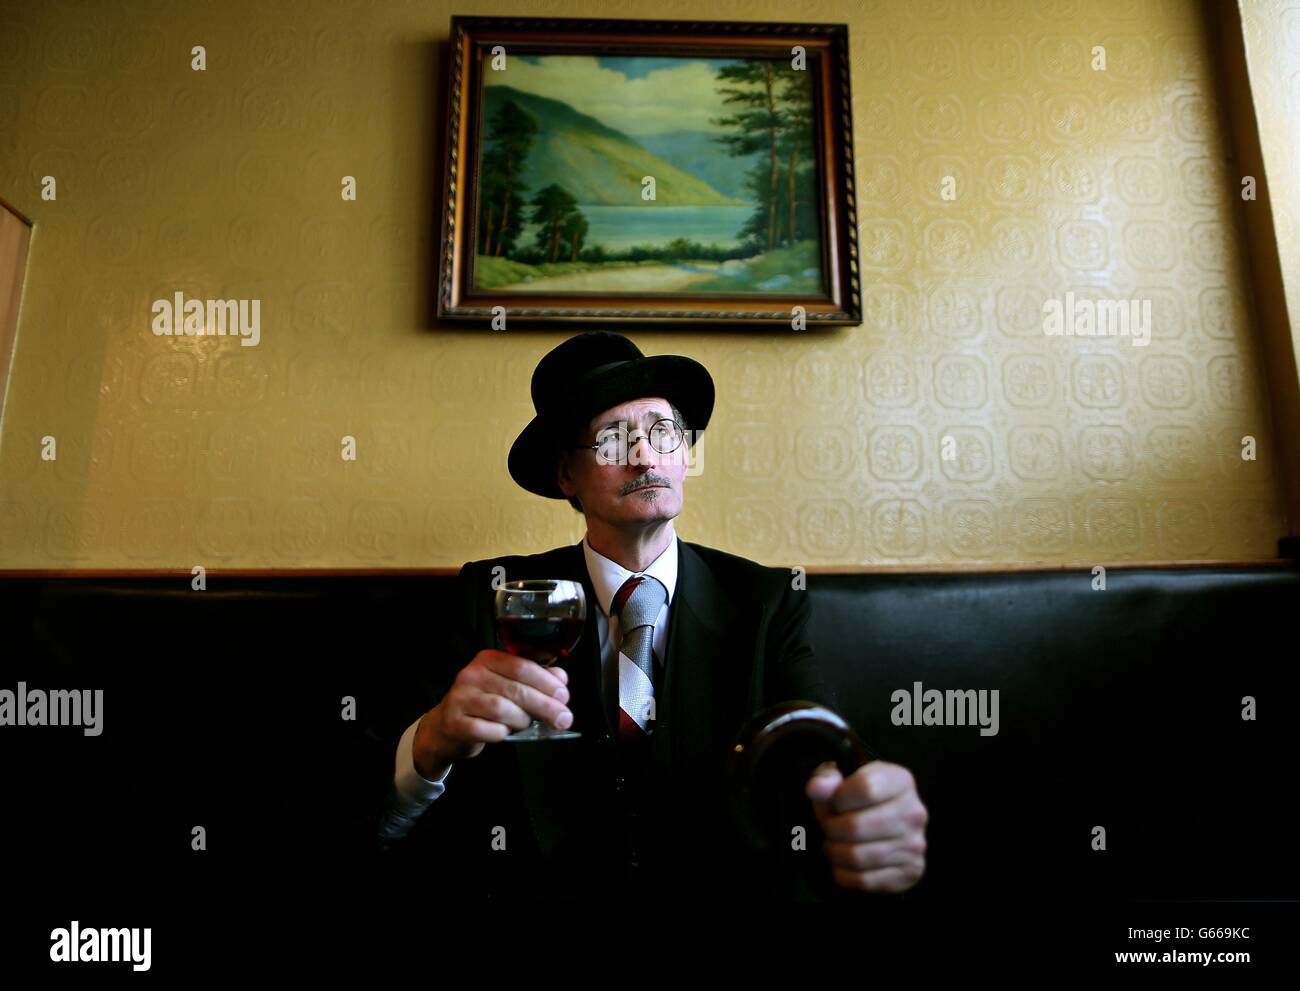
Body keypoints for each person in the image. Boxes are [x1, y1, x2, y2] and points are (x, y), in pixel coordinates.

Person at [353, 331, 927, 903]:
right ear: (566, 477)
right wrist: (430, 742)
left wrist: (863, 805)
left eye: (661, 432)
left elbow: (819, 745)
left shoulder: (765, 599)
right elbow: (373, 820)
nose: (644, 455)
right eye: (610, 440)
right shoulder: (494, 594)